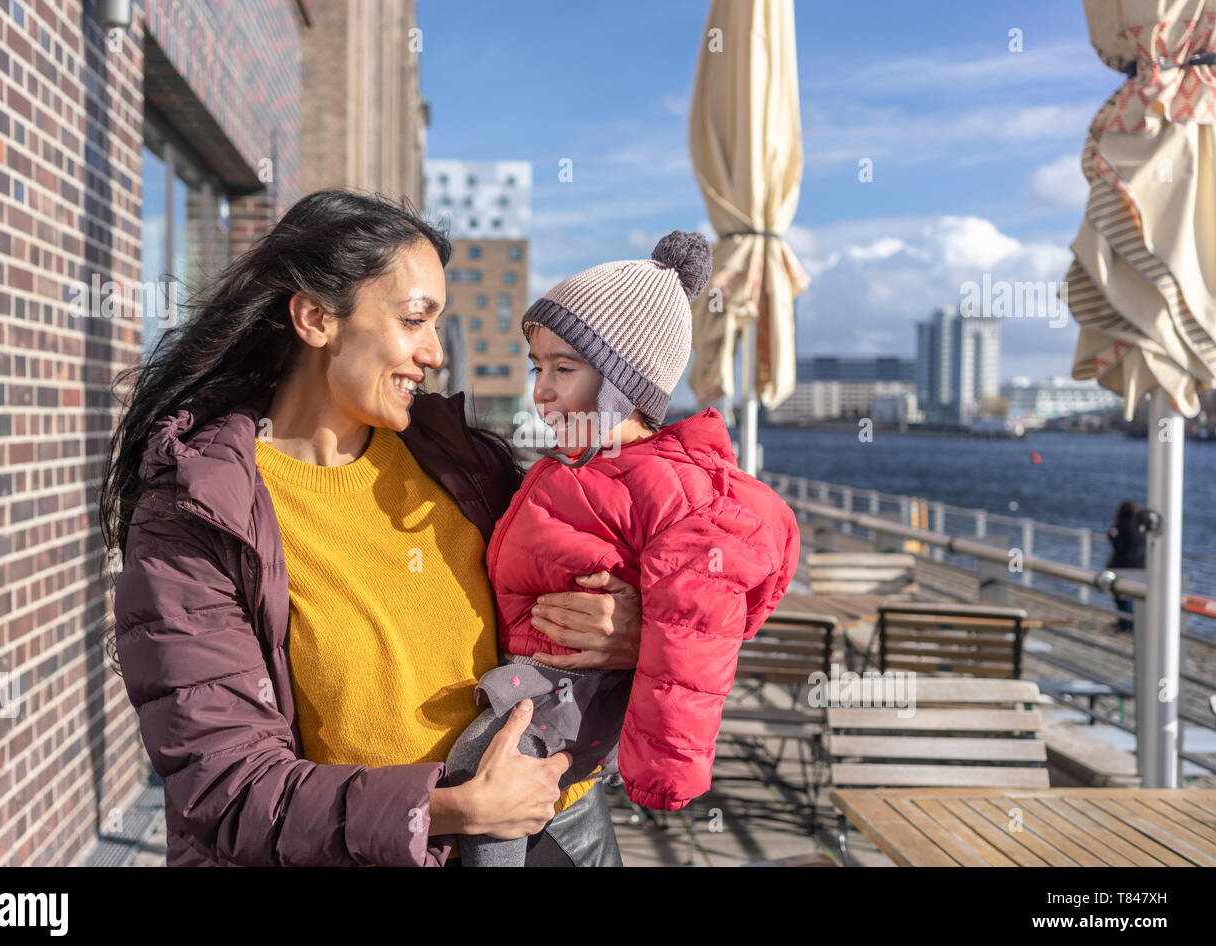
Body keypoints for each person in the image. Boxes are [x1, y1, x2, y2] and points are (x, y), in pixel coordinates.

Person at [98, 189, 644, 866]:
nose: (435, 353)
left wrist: (628, 627)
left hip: (563, 833)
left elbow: (579, 588)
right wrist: (447, 810)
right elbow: (228, 788)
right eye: (414, 320)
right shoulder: (199, 515)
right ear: (316, 318)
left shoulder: (462, 466)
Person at [445, 231, 801, 866]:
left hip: (574, 692)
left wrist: (663, 769)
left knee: (480, 769)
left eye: (563, 369)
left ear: (621, 383)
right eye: (537, 366)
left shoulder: (666, 485)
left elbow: (695, 626)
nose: (540, 390)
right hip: (543, 679)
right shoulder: (581, 466)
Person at [1107, 499, 1147, 633]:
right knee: (1134, 597)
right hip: (1140, 567)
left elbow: (1119, 547)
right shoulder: (1142, 527)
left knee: (1121, 598)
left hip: (1122, 566)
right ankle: (1132, 625)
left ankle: (1125, 624)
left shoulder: (1123, 525)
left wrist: (1112, 536)